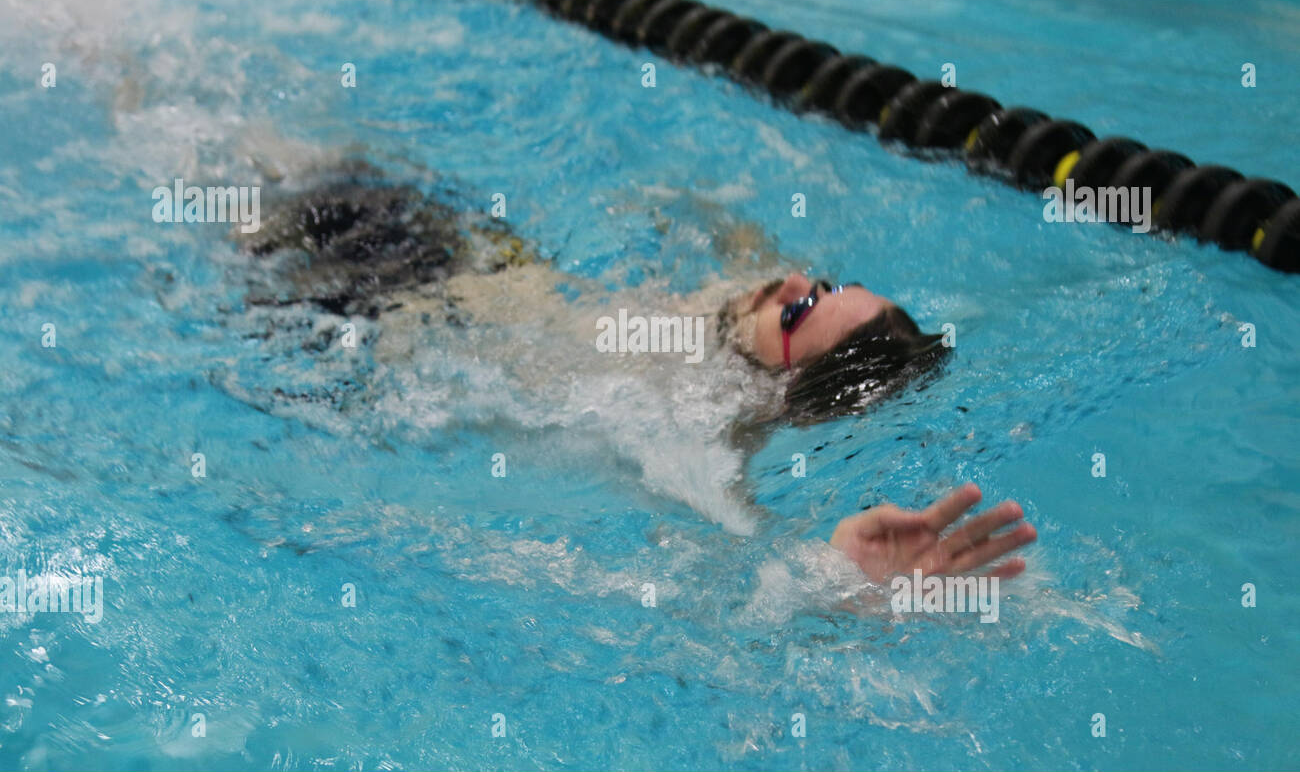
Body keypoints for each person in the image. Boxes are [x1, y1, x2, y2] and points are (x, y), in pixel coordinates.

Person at [240, 170, 1035, 583]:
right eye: (823, 286)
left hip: (363, 316)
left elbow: (740, 560)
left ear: (781, 391)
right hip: (467, 247)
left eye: (800, 315)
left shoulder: (696, 420)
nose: (796, 284)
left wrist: (839, 578)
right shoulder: (738, 303)